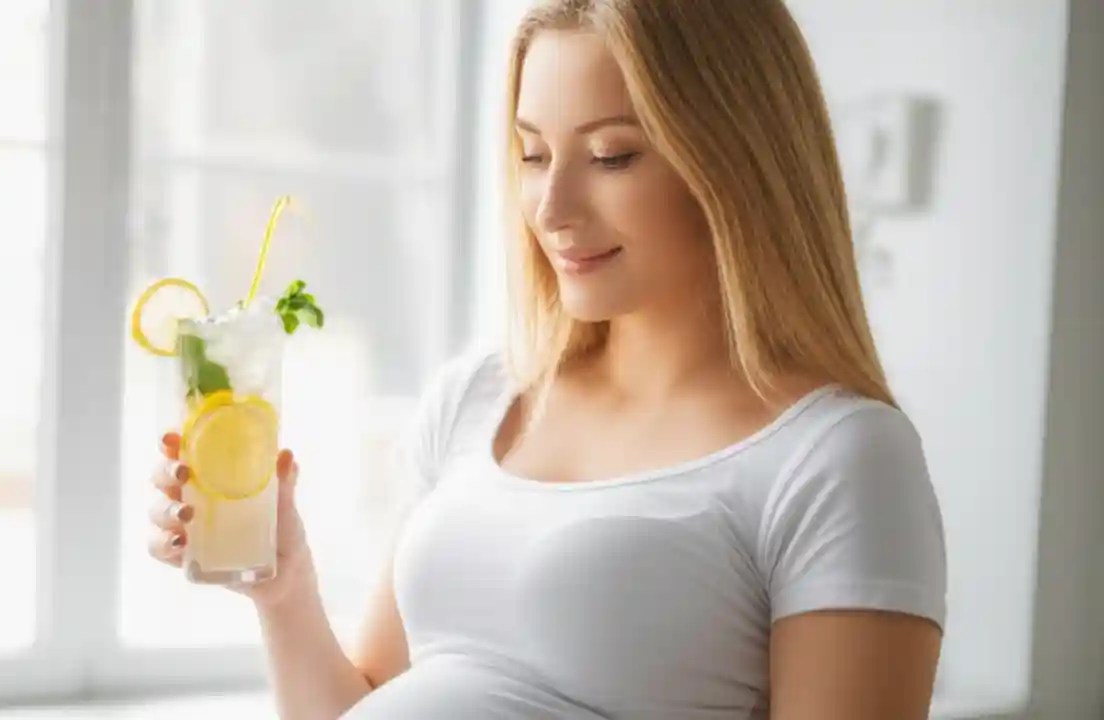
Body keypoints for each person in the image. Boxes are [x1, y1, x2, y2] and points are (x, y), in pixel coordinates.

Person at [147, 0, 947, 717]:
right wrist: (284, 593)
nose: (553, 210)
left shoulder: (836, 457)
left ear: (734, 162)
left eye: (611, 156)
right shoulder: (481, 397)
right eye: (532, 155)